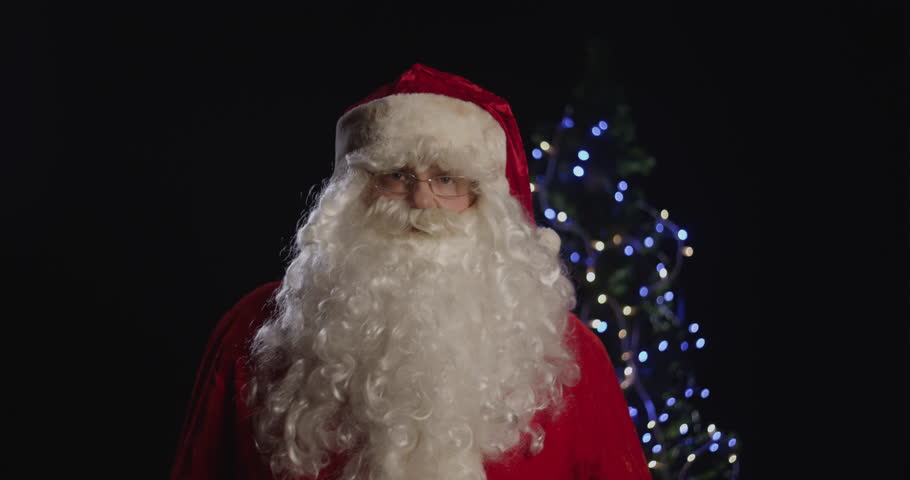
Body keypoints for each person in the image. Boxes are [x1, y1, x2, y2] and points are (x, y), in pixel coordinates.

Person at [170, 63, 651, 480]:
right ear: (354, 194)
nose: (422, 201)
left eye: (446, 178)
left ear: (485, 203)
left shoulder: (569, 353)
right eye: (396, 175)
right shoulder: (254, 330)